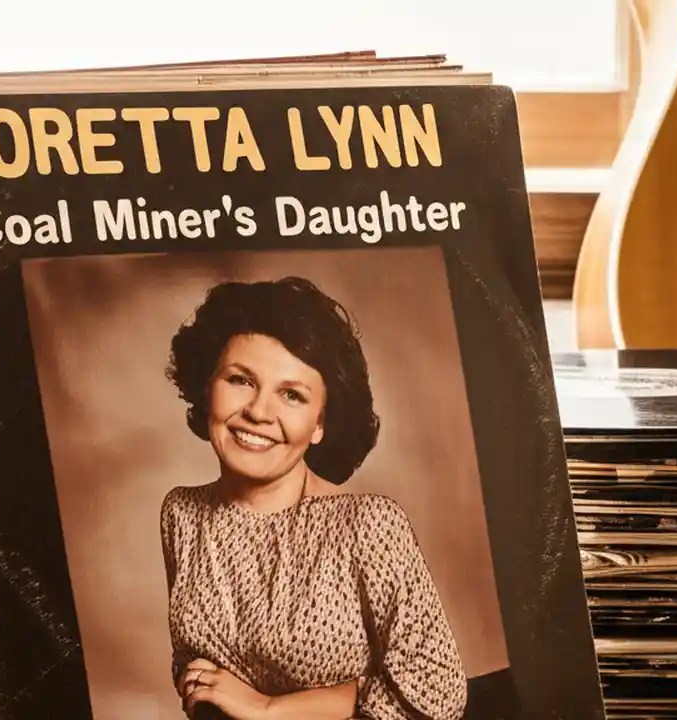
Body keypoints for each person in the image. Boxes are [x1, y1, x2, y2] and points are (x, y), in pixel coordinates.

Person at [159, 277, 468, 720]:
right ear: (208, 389)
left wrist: (267, 709)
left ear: (320, 425)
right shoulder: (181, 513)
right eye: (241, 380)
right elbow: (193, 668)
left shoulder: (369, 524)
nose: (259, 412)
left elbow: (436, 687)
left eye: (291, 395)